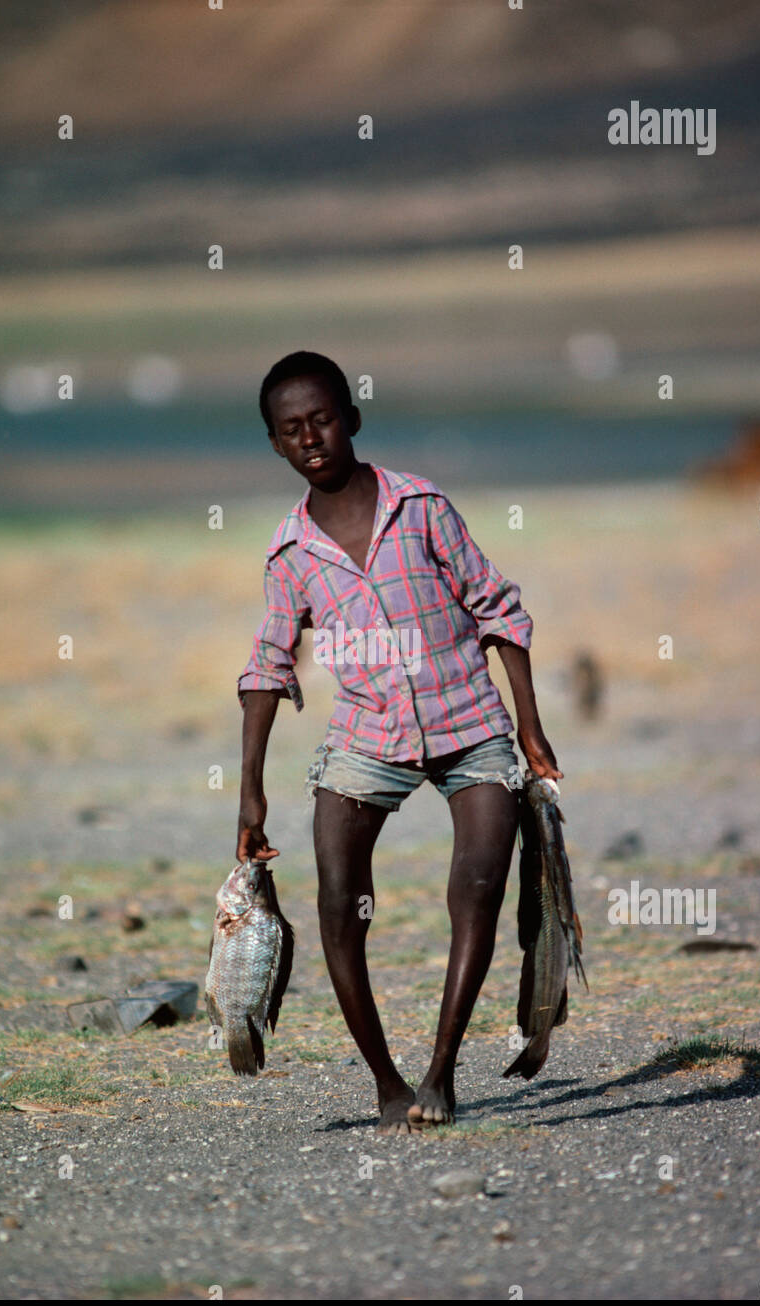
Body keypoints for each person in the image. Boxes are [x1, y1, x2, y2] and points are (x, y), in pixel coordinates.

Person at [236, 350, 561, 1133]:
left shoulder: (420, 505)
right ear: (277, 446)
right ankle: (387, 1084)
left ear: (351, 418)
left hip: (468, 726)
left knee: (479, 886)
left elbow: (497, 609)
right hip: (367, 737)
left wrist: (528, 724)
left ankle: (441, 1073)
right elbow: (265, 667)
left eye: (321, 419)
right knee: (338, 904)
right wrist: (250, 787)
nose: (311, 437)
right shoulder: (289, 553)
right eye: (292, 430)